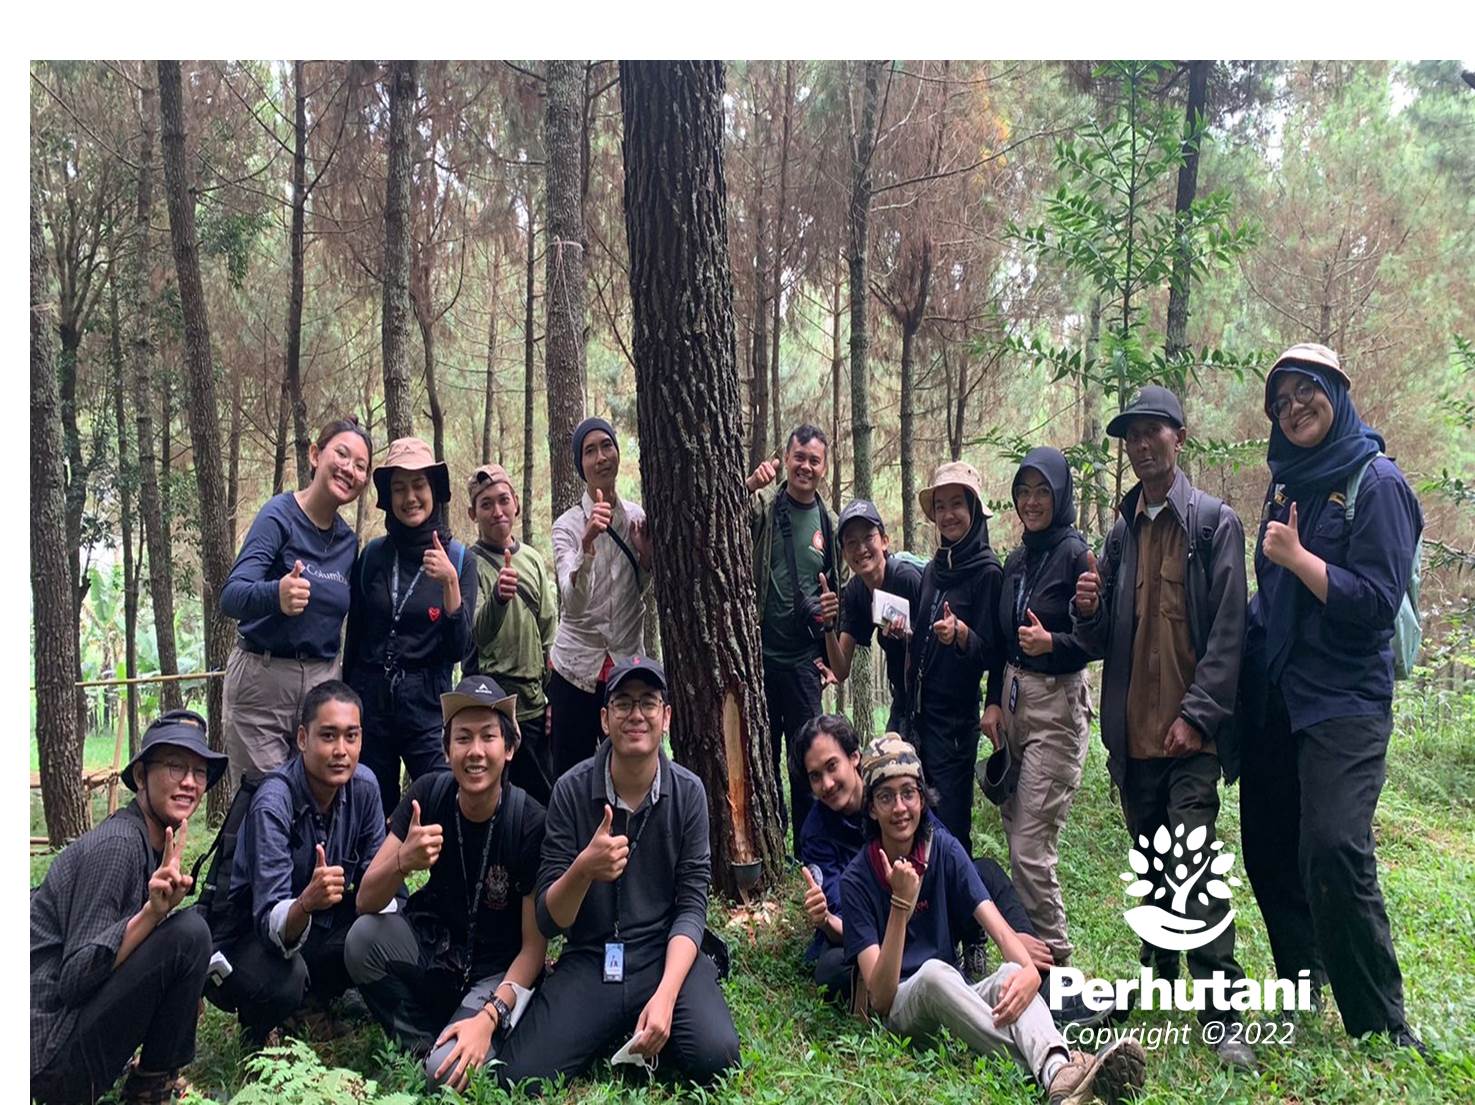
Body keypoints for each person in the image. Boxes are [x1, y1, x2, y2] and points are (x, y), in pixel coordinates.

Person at [1239, 343, 1426, 1050]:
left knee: (1333, 847)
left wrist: (1299, 558)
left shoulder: (1376, 481)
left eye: (1305, 391)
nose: (1292, 407)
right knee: (1268, 846)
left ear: (1337, 392)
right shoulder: (1286, 483)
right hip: (1277, 694)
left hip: (1344, 700)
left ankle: (1381, 1022)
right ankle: (1301, 977)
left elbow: (1376, 603)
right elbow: (1271, 594)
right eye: (1280, 400)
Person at [1071, 385, 1254, 1069]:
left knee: (1193, 863)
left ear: (1179, 435)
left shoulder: (1212, 525)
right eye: (1132, 435)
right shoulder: (1119, 533)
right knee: (1153, 866)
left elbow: (1229, 635)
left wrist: (1197, 716)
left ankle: (1222, 1013)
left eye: (1154, 431)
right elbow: (1097, 640)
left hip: (1190, 740)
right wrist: (1086, 607)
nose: (1142, 445)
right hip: (1132, 738)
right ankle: (1154, 973)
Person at [840, 736, 1146, 1105]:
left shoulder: (944, 849)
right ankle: (1071, 1072)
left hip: (957, 995)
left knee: (1008, 976)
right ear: (871, 808)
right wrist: (900, 905)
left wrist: (1028, 972)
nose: (900, 807)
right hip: (905, 1009)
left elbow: (998, 928)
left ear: (922, 797)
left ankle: (1059, 1076)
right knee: (935, 974)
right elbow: (881, 999)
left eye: (909, 792)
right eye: (886, 797)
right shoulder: (856, 880)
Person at [494, 656, 740, 1091]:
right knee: (519, 1078)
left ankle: (645, 1018)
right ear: (605, 720)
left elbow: (691, 906)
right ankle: (614, 1024)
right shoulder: (570, 791)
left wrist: (666, 996)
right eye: (623, 703)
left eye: (648, 703)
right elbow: (551, 920)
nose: (636, 715)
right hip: (591, 956)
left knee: (717, 1059)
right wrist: (584, 869)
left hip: (662, 953)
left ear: (666, 716)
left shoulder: (689, 793)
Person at [796, 716, 1107, 1027]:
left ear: (854, 759)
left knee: (983, 871)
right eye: (814, 776)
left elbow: (947, 857)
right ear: (874, 809)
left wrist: (1010, 938)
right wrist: (827, 921)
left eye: (831, 766)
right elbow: (846, 919)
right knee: (831, 967)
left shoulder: (902, 791)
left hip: (927, 915)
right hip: (874, 932)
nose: (826, 783)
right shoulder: (817, 833)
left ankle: (1049, 990)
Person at [347, 674, 549, 1090]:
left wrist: (490, 1016)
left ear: (509, 748)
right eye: (463, 738)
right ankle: (425, 1040)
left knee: (447, 1073)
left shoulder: (528, 822)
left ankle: (471, 1033)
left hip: (496, 973)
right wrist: (404, 861)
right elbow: (366, 900)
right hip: (436, 950)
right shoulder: (429, 795)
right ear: (446, 749)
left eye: (488, 737)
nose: (475, 752)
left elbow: (533, 949)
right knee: (362, 940)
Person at [31, 710, 225, 1105]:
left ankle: (151, 1080)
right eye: (175, 766)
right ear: (140, 776)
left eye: (199, 772)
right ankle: (149, 1090)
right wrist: (153, 916)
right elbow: (74, 979)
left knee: (189, 928)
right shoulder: (118, 845)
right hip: (48, 1060)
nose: (189, 782)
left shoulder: (152, 843)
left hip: (61, 1048)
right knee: (188, 934)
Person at [206, 681, 385, 1047]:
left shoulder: (365, 787)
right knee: (284, 980)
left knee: (386, 928)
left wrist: (398, 864)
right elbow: (270, 920)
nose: (341, 751)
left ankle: (314, 1001)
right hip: (250, 937)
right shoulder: (274, 802)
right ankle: (262, 1028)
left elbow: (377, 884)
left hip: (319, 925)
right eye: (328, 736)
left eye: (351, 737)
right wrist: (306, 902)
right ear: (302, 738)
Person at [980, 447, 1096, 968]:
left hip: (1056, 704)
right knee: (1013, 827)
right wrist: (992, 702)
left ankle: (1059, 969)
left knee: (1030, 846)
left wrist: (1055, 644)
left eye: (1042, 491)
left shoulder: (1077, 555)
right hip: (1014, 698)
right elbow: (1002, 640)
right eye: (1023, 491)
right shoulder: (1019, 557)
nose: (1031, 501)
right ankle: (1033, 960)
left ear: (1061, 494)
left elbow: (1098, 638)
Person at [220, 416, 373, 785]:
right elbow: (231, 596)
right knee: (265, 803)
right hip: (264, 681)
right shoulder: (279, 516)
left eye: (360, 466)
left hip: (322, 685)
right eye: (342, 454)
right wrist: (277, 595)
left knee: (316, 804)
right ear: (315, 454)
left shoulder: (348, 543)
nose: (349, 469)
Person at [344, 436, 477, 815]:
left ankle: (447, 874)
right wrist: (350, 704)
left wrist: (450, 584)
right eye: (399, 489)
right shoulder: (373, 556)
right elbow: (355, 638)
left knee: (443, 798)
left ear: (434, 490)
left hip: (427, 700)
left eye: (418, 486)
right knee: (368, 801)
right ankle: (375, 874)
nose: (410, 498)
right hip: (371, 697)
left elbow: (459, 649)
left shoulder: (459, 559)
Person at [746, 424, 843, 840]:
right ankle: (770, 841)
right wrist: (749, 483)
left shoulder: (830, 523)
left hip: (805, 664)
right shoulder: (765, 508)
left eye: (814, 460)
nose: (806, 466)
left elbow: (840, 590)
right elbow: (722, 517)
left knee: (808, 760)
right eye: (799, 457)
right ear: (786, 459)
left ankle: (809, 847)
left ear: (824, 467)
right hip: (759, 658)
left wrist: (831, 647)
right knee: (762, 757)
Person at [907, 460, 1005, 855]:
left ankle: (958, 912)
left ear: (974, 511)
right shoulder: (934, 569)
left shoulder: (986, 572)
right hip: (918, 715)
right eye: (941, 506)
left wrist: (963, 635)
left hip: (954, 725)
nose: (948, 515)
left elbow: (995, 653)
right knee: (913, 819)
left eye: (957, 505)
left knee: (948, 825)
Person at [548, 417, 653, 778]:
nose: (600, 457)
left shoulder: (636, 517)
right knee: (570, 772)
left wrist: (646, 559)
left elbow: (637, 588)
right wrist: (588, 544)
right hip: (575, 671)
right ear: (581, 465)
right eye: (589, 451)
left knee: (626, 768)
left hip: (625, 664)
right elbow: (572, 603)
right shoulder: (567, 526)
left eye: (606, 446)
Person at [465, 463, 559, 804]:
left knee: (541, 799)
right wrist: (499, 599)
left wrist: (554, 700)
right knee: (495, 800)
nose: (497, 511)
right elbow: (475, 634)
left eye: (503, 500)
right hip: (493, 706)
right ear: (472, 513)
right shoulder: (468, 565)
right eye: (486, 504)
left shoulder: (533, 559)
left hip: (534, 707)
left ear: (516, 503)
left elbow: (550, 634)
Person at [818, 499, 924, 733]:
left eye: (868, 538)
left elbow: (935, 644)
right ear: (844, 553)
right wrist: (827, 625)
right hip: (903, 700)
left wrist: (909, 637)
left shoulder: (907, 579)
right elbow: (841, 669)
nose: (861, 548)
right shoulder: (856, 592)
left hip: (934, 698)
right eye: (851, 543)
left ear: (884, 541)